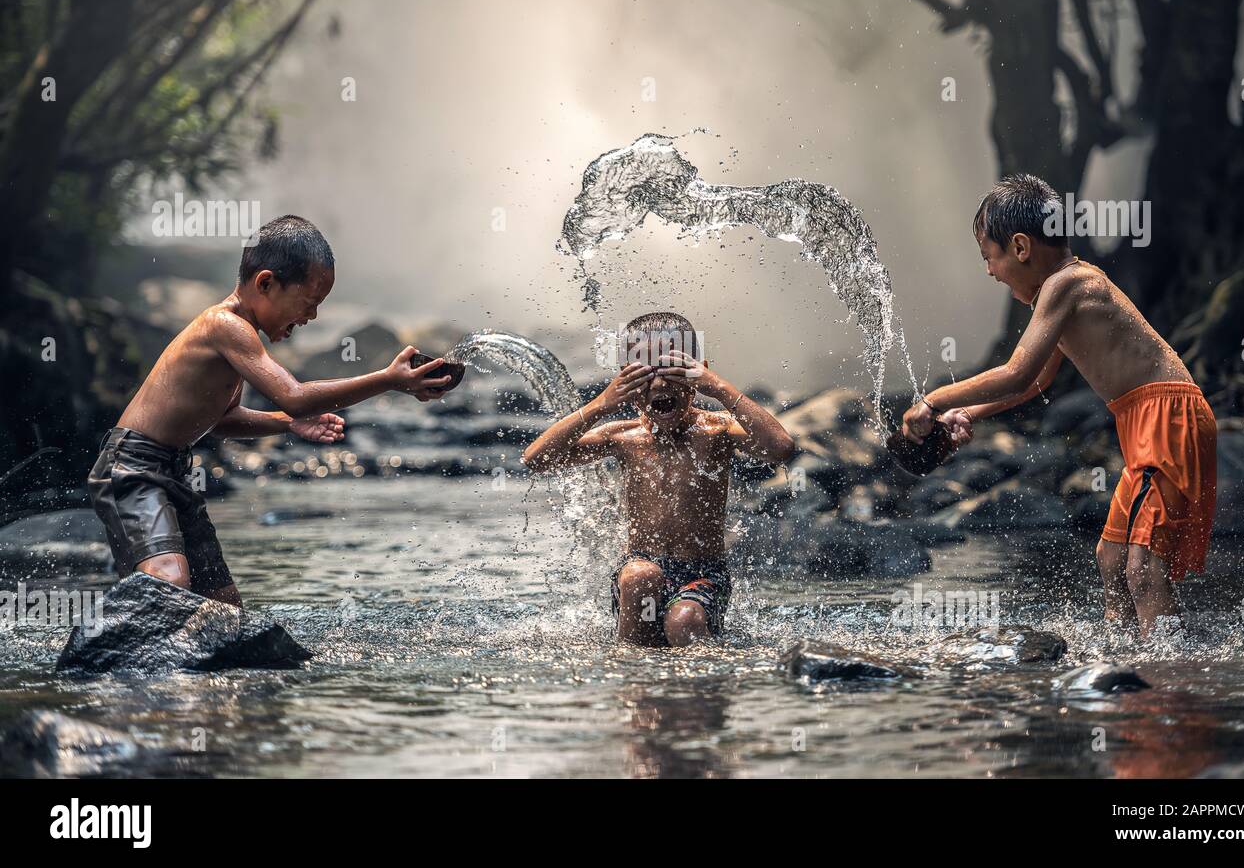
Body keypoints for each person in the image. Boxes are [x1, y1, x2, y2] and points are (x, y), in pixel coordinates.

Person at [902, 175, 1216, 638]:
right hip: (1149, 421)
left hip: (1167, 419)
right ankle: (1122, 659)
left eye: (989, 257)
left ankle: (1167, 683)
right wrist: (969, 413)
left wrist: (931, 401)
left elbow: (1017, 372)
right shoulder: (1065, 290)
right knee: (1112, 558)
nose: (989, 271)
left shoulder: (1068, 283)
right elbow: (1034, 384)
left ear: (1022, 247)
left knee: (1144, 567)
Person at [88, 215, 458, 607]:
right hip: (133, 467)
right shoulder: (224, 325)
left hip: (174, 471)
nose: (311, 316)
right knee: (170, 579)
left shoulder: (240, 338)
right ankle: (105, 649)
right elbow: (295, 395)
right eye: (309, 303)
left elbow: (224, 420)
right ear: (265, 283)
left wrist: (286, 424)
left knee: (223, 606)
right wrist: (387, 379)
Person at [522, 312, 797, 646]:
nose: (659, 384)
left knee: (684, 621)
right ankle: (632, 677)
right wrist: (601, 404)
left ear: (698, 373)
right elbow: (536, 460)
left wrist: (721, 388)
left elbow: (780, 449)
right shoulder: (623, 436)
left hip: (703, 575)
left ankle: (696, 688)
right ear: (624, 381)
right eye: (642, 373)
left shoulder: (718, 430)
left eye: (671, 370)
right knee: (642, 576)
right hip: (638, 573)